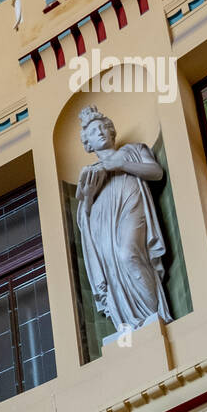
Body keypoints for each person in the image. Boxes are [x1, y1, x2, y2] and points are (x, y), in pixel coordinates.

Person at [75, 106, 173, 336]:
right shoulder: (90, 172)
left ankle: (153, 315)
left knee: (128, 254)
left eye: (102, 127)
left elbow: (156, 172)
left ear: (111, 131)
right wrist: (88, 194)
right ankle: (131, 322)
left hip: (130, 202)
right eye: (92, 132)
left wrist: (120, 165)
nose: (99, 132)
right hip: (102, 219)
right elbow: (83, 218)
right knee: (111, 262)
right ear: (87, 143)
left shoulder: (133, 150)